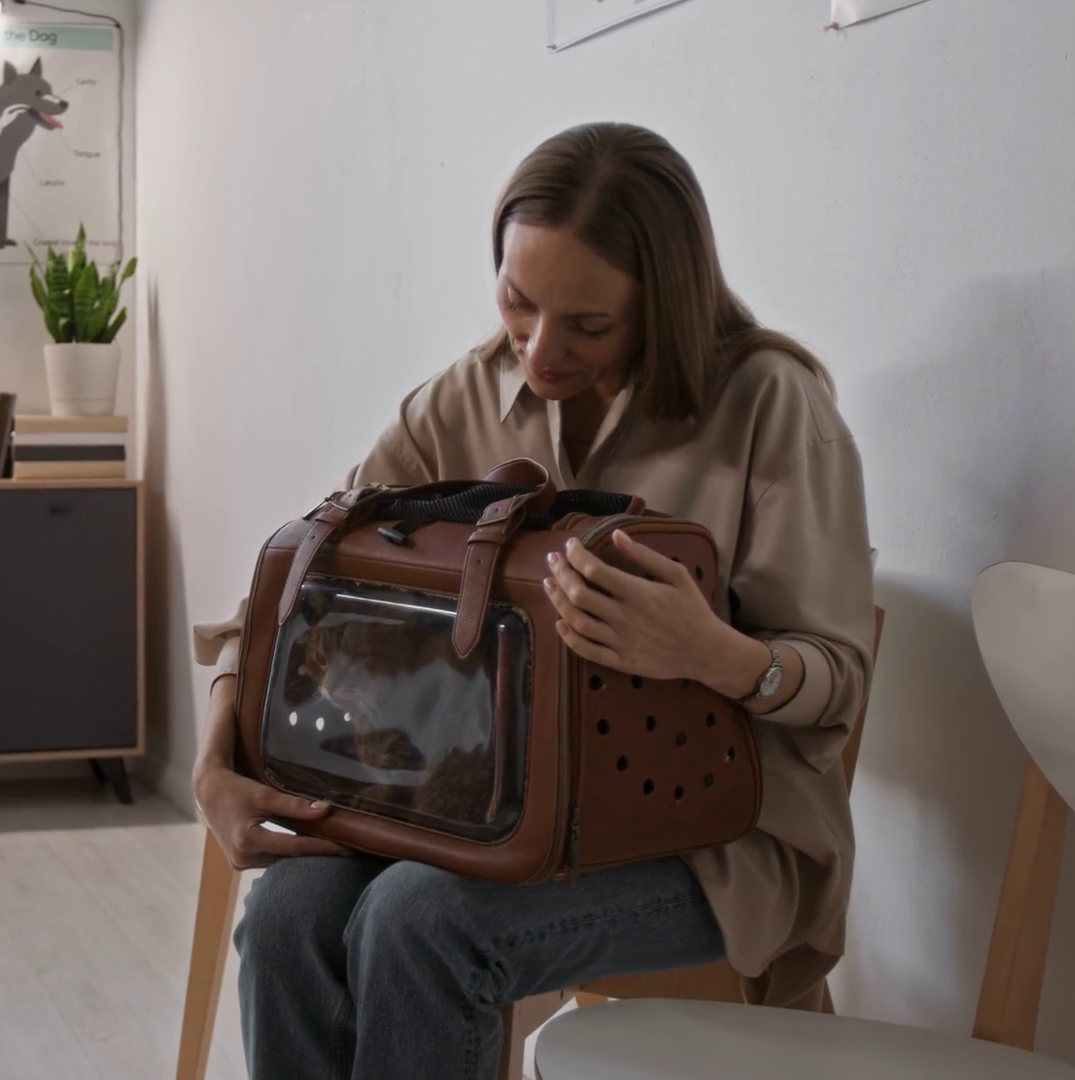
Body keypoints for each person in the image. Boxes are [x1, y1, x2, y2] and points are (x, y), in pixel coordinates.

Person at [190, 122, 877, 1080]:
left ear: (664, 303)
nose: (539, 348)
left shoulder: (772, 407)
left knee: (420, 925)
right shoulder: (460, 401)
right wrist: (215, 761)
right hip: (468, 807)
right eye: (518, 301)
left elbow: (841, 679)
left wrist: (712, 652)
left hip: (717, 842)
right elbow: (299, 595)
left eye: (589, 325)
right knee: (288, 918)